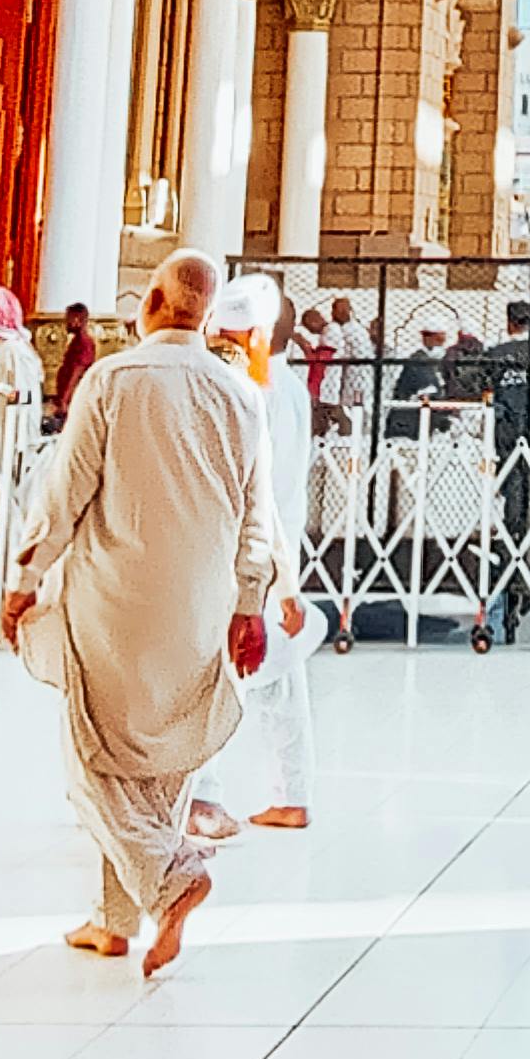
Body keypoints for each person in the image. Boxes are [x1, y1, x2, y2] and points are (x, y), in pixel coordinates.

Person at [0, 239, 266, 978]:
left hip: (113, 606)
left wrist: (24, 583)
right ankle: (114, 921)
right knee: (159, 767)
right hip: (201, 607)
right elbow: (256, 515)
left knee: (91, 759)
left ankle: (173, 875)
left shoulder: (113, 380)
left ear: (151, 304)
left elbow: (63, 497)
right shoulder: (240, 393)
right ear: (208, 315)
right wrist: (250, 605)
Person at [210, 273, 318, 827]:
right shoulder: (288, 386)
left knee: (217, 670)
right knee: (279, 679)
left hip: (251, 554)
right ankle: (291, 793)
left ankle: (203, 794)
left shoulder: (255, 391)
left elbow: (255, 487)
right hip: (278, 554)